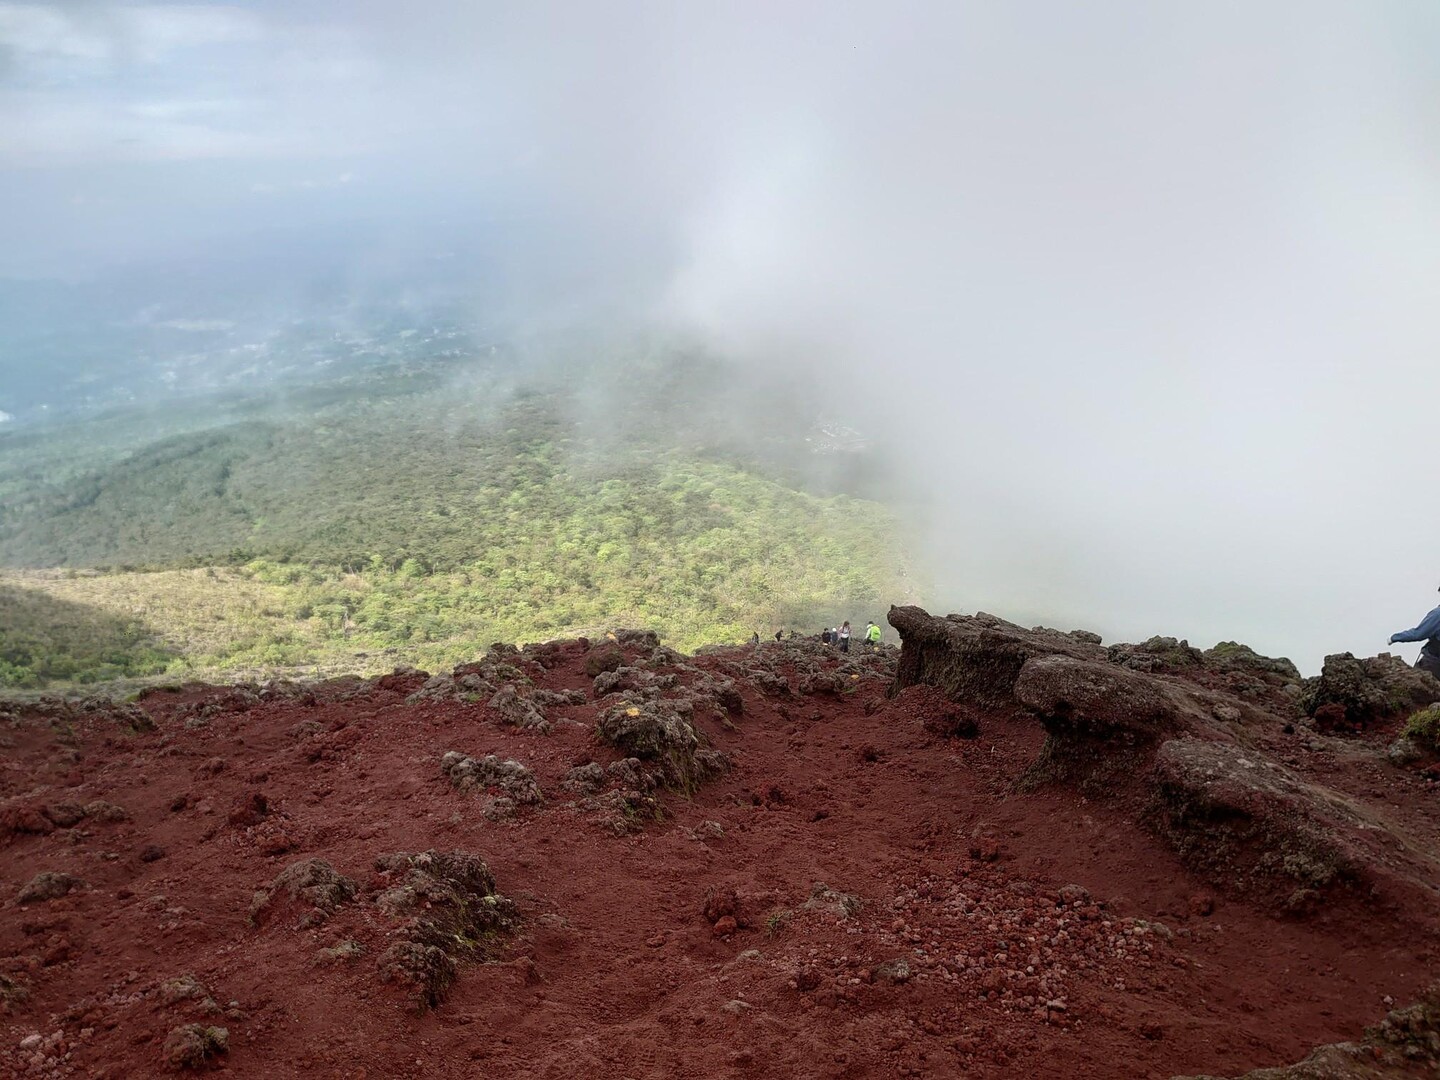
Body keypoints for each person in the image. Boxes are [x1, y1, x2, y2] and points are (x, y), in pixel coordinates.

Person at [1389, 587, 1440, 679]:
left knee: (1418, 686)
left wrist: (1394, 638)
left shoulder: (1437, 614)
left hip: (1434, 664)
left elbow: (1418, 634)